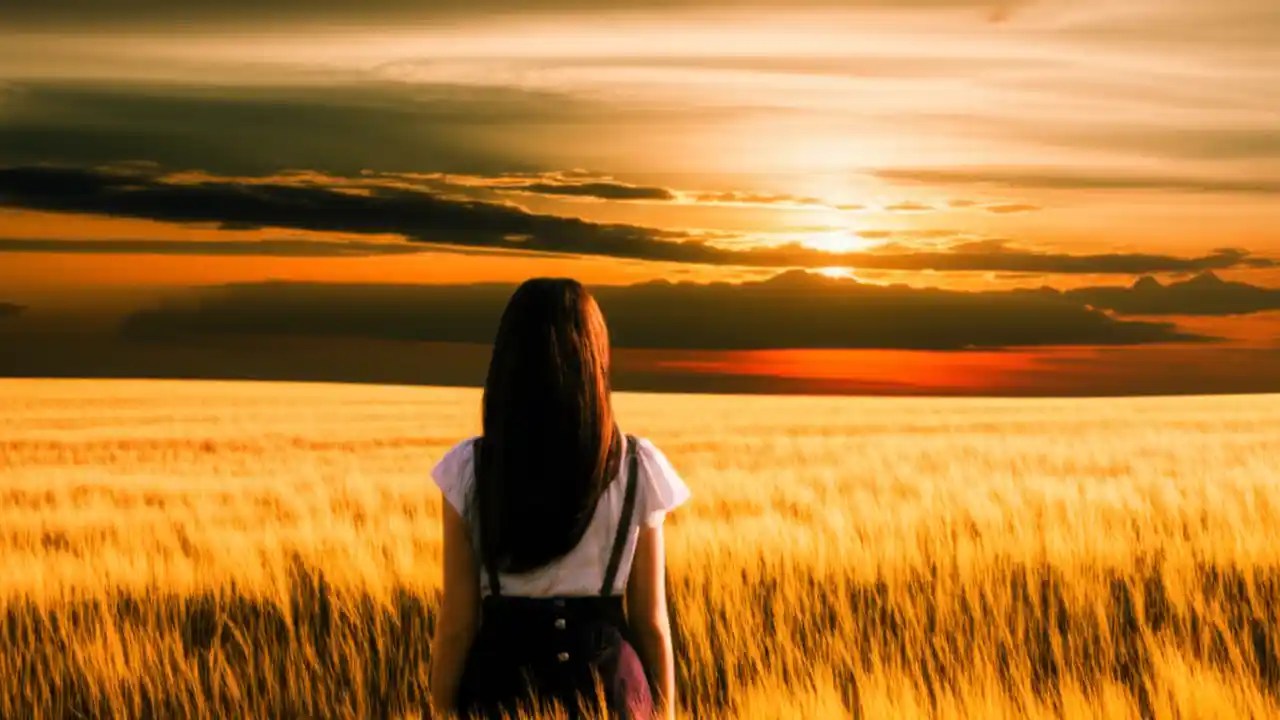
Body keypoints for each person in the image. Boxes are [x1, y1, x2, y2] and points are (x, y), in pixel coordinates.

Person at [428, 278, 691, 719]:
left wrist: (438, 713)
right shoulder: (636, 468)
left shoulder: (469, 470)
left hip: (501, 696)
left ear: (506, 365)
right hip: (610, 695)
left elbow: (457, 625)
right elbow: (650, 623)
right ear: (594, 361)